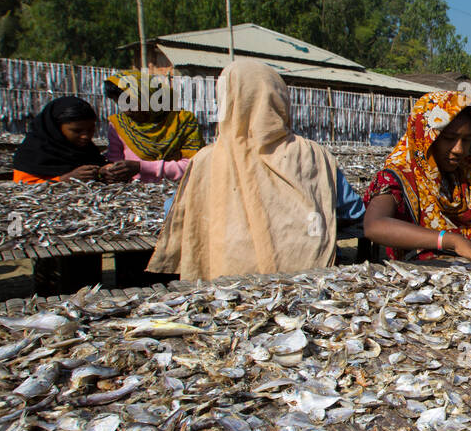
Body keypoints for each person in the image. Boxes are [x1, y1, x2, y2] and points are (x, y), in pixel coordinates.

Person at [147, 59, 362, 280]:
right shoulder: (315, 155)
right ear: (279, 98)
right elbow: (352, 210)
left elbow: (174, 212)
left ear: (226, 102)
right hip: (306, 281)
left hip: (227, 282)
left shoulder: (205, 161)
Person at [363, 90, 471, 278]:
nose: (459, 149)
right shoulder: (398, 176)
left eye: (466, 140)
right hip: (417, 280)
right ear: (427, 136)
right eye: (448, 138)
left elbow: (461, 252)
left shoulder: (464, 179)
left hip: (459, 279)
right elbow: (374, 226)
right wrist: (450, 240)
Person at [102, 69, 203, 183]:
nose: (127, 111)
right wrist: (108, 171)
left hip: (177, 190)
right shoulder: (119, 124)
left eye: (131, 103)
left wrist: (142, 167)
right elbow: (114, 161)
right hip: (134, 194)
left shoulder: (183, 121)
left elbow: (194, 166)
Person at [12, 96, 133, 184]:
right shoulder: (32, 153)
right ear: (56, 128)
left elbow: (96, 170)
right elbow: (23, 185)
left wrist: (103, 172)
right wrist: (65, 179)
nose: (85, 136)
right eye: (76, 131)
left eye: (90, 130)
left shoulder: (87, 151)